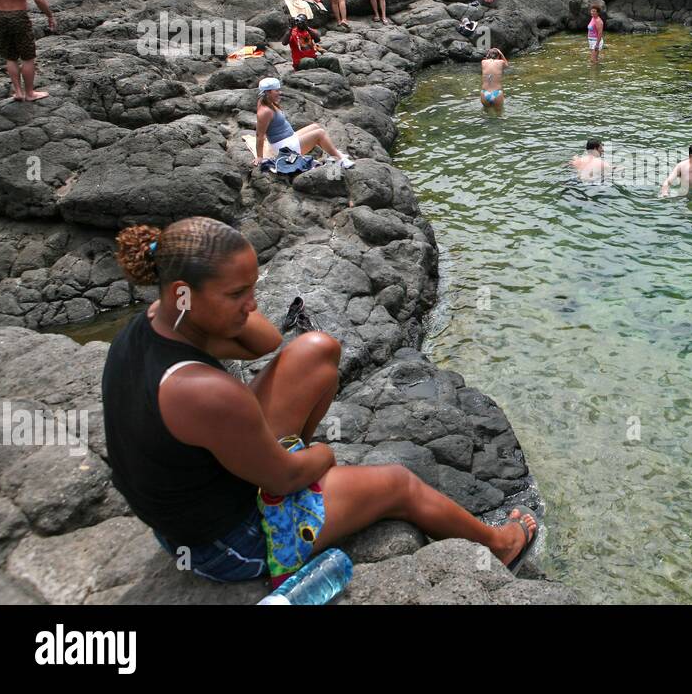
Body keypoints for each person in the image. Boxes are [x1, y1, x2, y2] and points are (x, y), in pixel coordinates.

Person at [101, 216, 538, 585]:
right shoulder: (201, 390)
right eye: (236, 294)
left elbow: (267, 342)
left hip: (214, 479)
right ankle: (501, 544)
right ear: (182, 291)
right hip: (225, 544)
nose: (251, 304)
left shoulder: (158, 320)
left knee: (316, 350)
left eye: (252, 288)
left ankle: (288, 463)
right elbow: (286, 480)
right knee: (397, 484)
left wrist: (235, 307)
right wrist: (322, 457)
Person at [253, 77, 354, 168]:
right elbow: (259, 135)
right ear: (268, 92)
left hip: (289, 138)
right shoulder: (265, 111)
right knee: (320, 133)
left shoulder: (266, 101)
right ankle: (339, 160)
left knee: (316, 126)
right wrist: (260, 157)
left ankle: (334, 152)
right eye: (276, 91)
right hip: (284, 148)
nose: (280, 93)